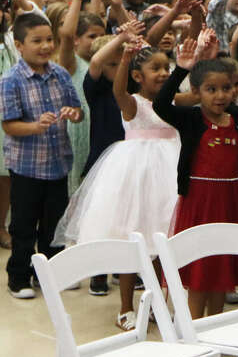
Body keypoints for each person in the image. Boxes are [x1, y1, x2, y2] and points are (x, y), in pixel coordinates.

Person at [53, 41, 180, 328]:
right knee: (130, 240)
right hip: (135, 176)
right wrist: (125, 59)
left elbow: (196, 93)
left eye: (166, 68)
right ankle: (125, 307)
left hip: (167, 175)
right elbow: (118, 91)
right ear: (138, 76)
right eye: (156, 68)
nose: (163, 73)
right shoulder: (132, 103)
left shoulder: (173, 102)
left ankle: (157, 303)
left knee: (162, 239)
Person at [153, 30, 238, 319]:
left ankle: (217, 326)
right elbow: (160, 105)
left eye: (226, 88)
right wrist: (180, 70)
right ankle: (194, 326)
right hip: (199, 202)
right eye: (211, 89)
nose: (220, 95)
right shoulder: (191, 118)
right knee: (200, 268)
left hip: (231, 202)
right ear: (196, 92)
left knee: (221, 268)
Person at [1, 12, 83, 299]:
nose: (46, 46)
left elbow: (78, 111)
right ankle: (19, 277)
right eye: (37, 41)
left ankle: (49, 274)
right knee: (24, 225)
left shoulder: (60, 74)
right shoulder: (11, 80)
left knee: (54, 224)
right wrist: (35, 126)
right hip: (26, 167)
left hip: (58, 164)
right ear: (19, 45)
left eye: (49, 39)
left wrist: (74, 113)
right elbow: (9, 125)